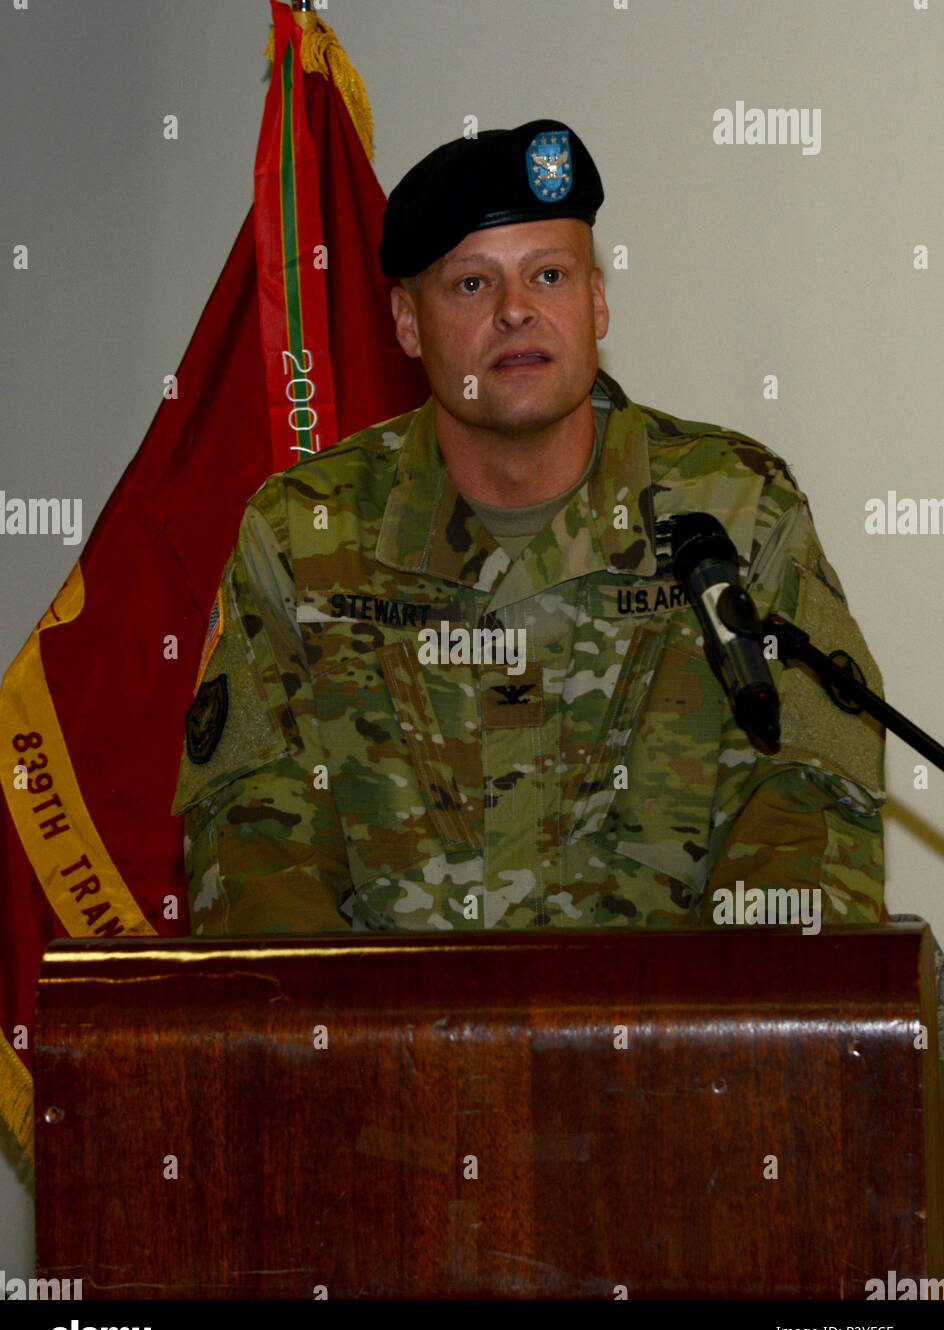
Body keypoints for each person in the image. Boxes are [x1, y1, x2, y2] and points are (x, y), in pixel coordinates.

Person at [172, 118, 887, 937]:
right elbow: (253, 846)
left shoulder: (736, 511)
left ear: (597, 300)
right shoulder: (302, 537)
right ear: (406, 323)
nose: (517, 312)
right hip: (388, 1055)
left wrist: (715, 1037)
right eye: (472, 285)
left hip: (675, 1055)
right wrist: (364, 1052)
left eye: (549, 274)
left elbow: (810, 798)